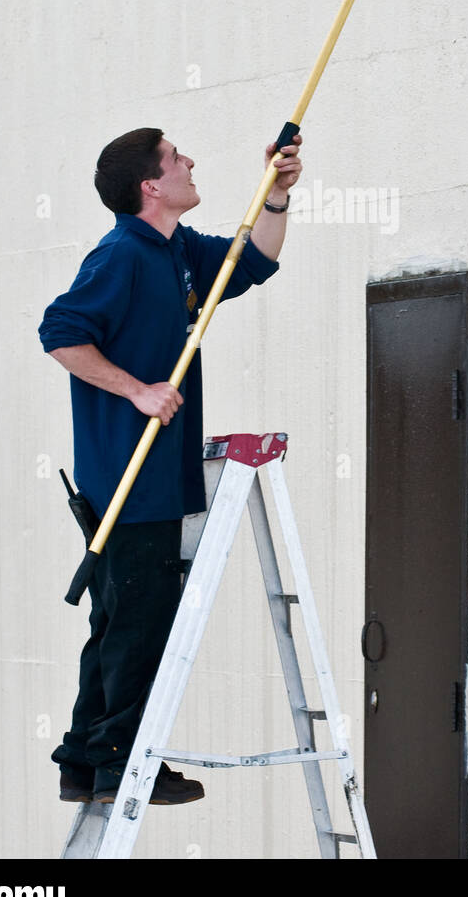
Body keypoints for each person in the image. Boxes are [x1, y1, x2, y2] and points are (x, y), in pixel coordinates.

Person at [39, 126, 302, 804]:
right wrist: (138, 389)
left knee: (117, 621)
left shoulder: (175, 249)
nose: (189, 161)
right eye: (176, 158)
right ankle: (121, 764)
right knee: (137, 626)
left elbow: (253, 263)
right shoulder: (123, 253)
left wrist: (274, 195)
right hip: (127, 477)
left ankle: (84, 761)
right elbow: (61, 333)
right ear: (150, 185)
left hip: (154, 476)